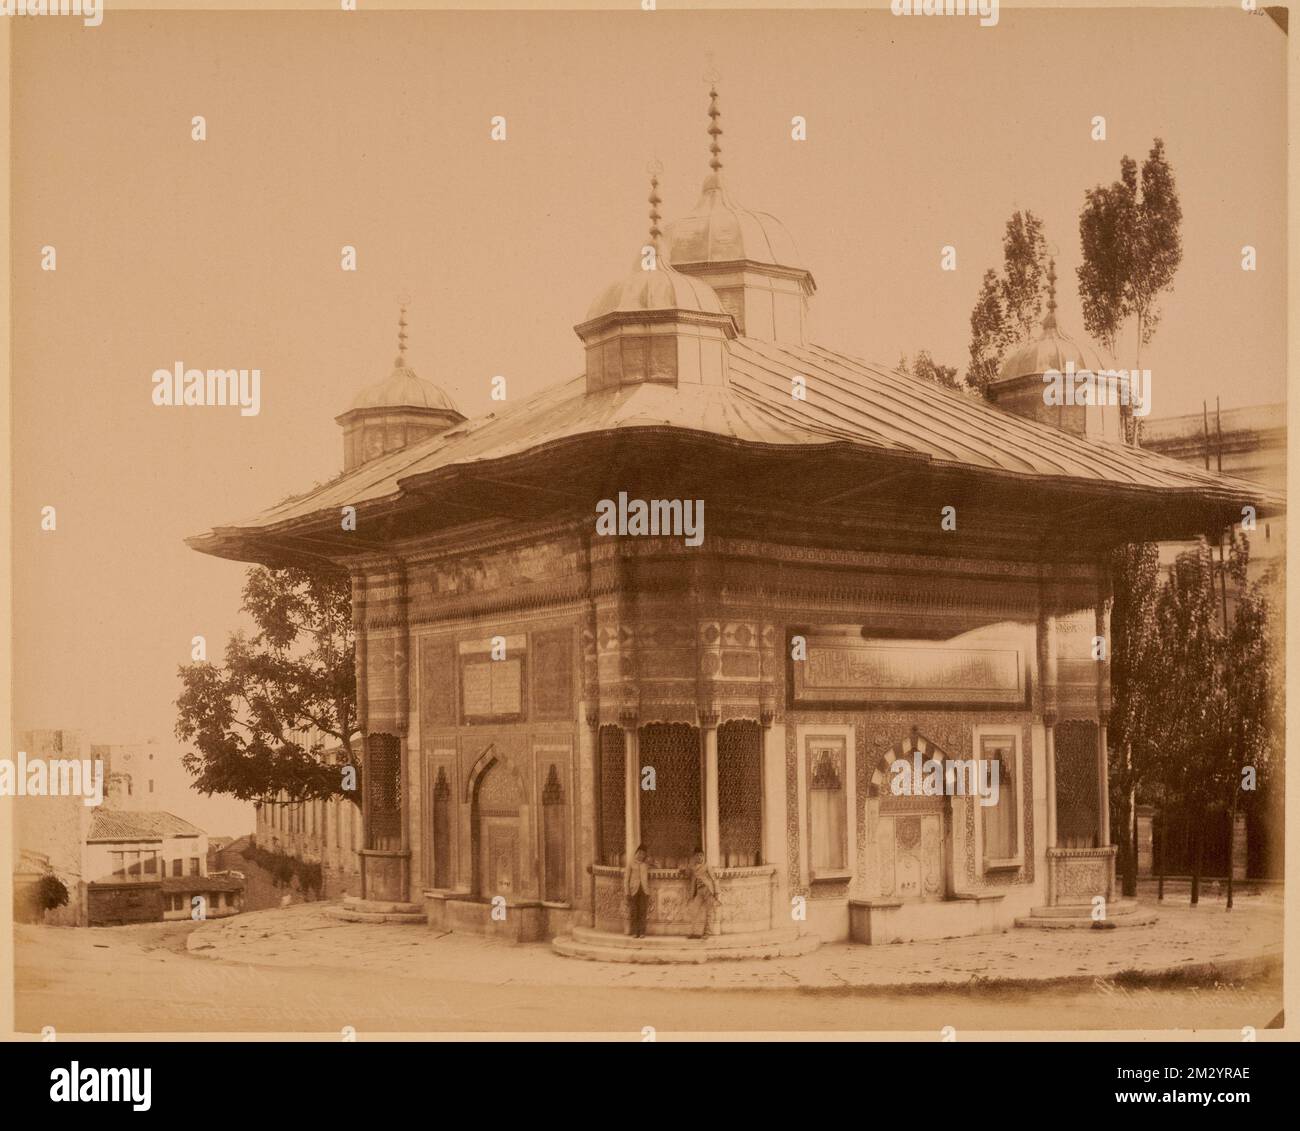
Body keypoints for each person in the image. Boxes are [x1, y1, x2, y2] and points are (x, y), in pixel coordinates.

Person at [683, 847, 720, 939]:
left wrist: (716, 892)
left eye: (701, 855)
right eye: (697, 856)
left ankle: (707, 933)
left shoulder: (707, 866)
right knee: (694, 910)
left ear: (703, 856)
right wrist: (682, 870)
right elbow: (687, 874)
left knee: (709, 911)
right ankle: (695, 933)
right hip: (698, 891)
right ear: (694, 857)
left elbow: (714, 879)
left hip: (708, 890)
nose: (700, 858)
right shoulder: (693, 867)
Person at [625, 844, 650, 938]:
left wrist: (649, 860)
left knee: (643, 912)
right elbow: (626, 879)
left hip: (644, 890)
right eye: (639, 853)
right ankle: (635, 932)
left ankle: (642, 932)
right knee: (634, 911)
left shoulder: (645, 865)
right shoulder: (631, 863)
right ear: (636, 853)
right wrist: (627, 892)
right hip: (633, 890)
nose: (641, 855)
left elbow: (657, 865)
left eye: (643, 854)